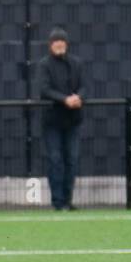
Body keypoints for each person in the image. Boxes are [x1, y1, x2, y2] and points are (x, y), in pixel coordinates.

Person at [36, 28, 84, 211]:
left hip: (73, 120)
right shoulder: (44, 65)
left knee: (71, 159)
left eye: (62, 43)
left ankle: (67, 200)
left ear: (66, 44)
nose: (59, 46)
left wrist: (78, 97)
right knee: (55, 160)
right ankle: (58, 201)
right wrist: (65, 99)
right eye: (56, 43)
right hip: (52, 121)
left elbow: (85, 86)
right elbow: (44, 89)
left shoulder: (77, 63)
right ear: (50, 45)